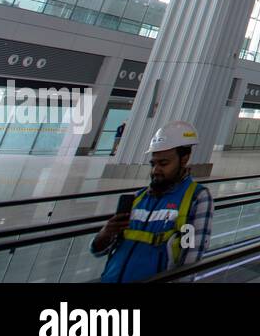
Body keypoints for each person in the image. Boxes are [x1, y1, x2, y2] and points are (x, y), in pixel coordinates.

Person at [92, 121, 214, 282]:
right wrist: (105, 234)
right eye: (153, 163)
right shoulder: (138, 198)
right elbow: (98, 251)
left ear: (184, 159)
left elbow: (190, 261)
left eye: (164, 163)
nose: (156, 170)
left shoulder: (197, 198)